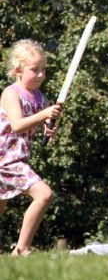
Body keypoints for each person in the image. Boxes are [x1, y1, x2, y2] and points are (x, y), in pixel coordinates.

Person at [1, 40, 62, 254]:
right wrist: (43, 115)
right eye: (35, 70)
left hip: (18, 158)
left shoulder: (41, 98)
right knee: (44, 194)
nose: (41, 75)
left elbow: (40, 124)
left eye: (43, 69)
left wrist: (48, 128)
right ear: (18, 70)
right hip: (5, 159)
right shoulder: (12, 93)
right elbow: (17, 125)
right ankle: (22, 249)